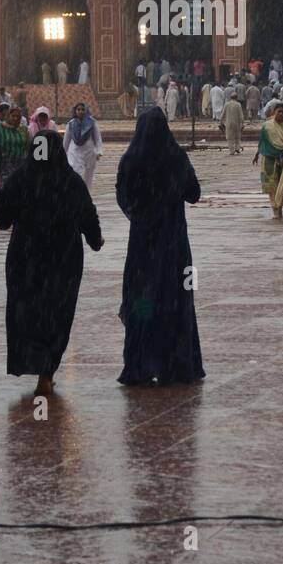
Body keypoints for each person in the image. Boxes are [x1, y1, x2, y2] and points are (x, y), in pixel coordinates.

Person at [0, 129, 104, 395]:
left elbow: (0, 219)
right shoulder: (70, 180)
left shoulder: (20, 178)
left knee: (28, 312)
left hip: (25, 259)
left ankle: (35, 360)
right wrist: (95, 239)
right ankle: (47, 369)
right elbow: (87, 214)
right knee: (57, 312)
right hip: (62, 260)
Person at [115, 109, 204, 385]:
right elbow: (194, 194)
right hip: (173, 244)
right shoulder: (176, 157)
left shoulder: (131, 159)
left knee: (143, 301)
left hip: (143, 245)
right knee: (175, 298)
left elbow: (122, 197)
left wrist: (141, 214)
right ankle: (175, 363)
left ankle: (140, 364)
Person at [254, 102, 283, 220]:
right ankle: (275, 209)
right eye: (279, 111)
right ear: (274, 112)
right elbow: (262, 141)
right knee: (272, 186)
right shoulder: (267, 126)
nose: (281, 114)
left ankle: (280, 207)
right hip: (269, 159)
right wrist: (257, 153)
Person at [63, 102, 103, 190]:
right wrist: (62, 153)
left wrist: (99, 151)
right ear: (75, 111)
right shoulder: (70, 124)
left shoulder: (92, 122)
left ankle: (86, 193)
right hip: (74, 152)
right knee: (76, 173)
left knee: (88, 176)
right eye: (78, 110)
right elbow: (66, 141)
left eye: (82, 109)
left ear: (86, 110)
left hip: (89, 152)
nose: (80, 111)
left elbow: (97, 138)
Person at [0, 105, 29, 189]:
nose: (15, 118)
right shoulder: (0, 127)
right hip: (4, 164)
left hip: (19, 163)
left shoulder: (23, 129)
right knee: (6, 189)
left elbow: (26, 146)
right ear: (8, 116)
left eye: (18, 116)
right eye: (13, 116)